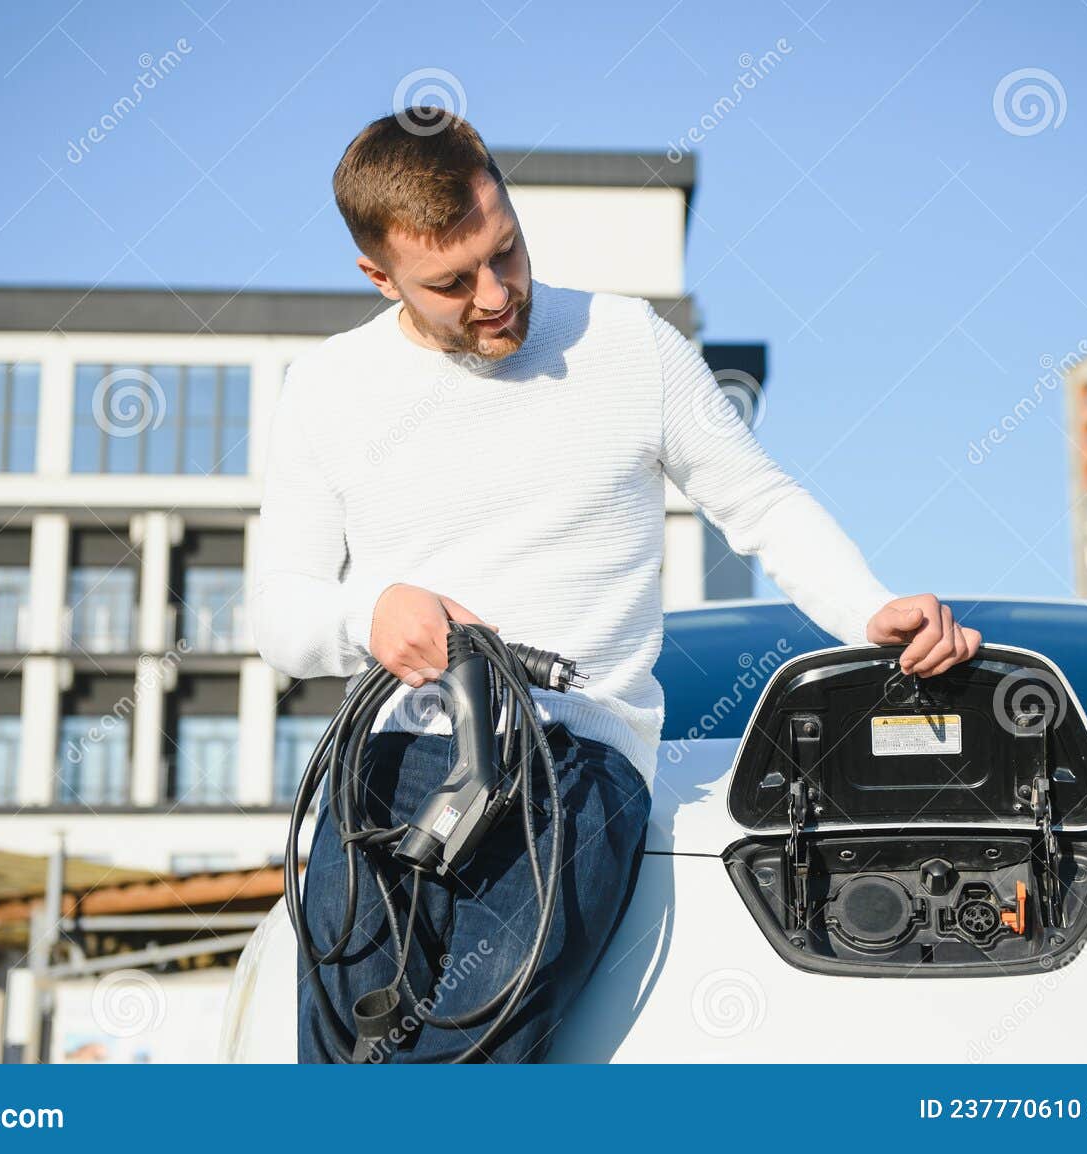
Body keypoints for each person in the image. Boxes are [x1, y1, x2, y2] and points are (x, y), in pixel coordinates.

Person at [251, 107, 982, 1063]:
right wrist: (370, 614)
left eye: (504, 252)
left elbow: (758, 503)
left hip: (574, 770)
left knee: (458, 1065)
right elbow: (279, 614)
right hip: (387, 769)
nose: (495, 293)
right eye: (451, 282)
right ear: (378, 278)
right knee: (339, 1068)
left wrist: (864, 608)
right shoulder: (326, 387)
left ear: (508, 206)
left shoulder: (630, 343)